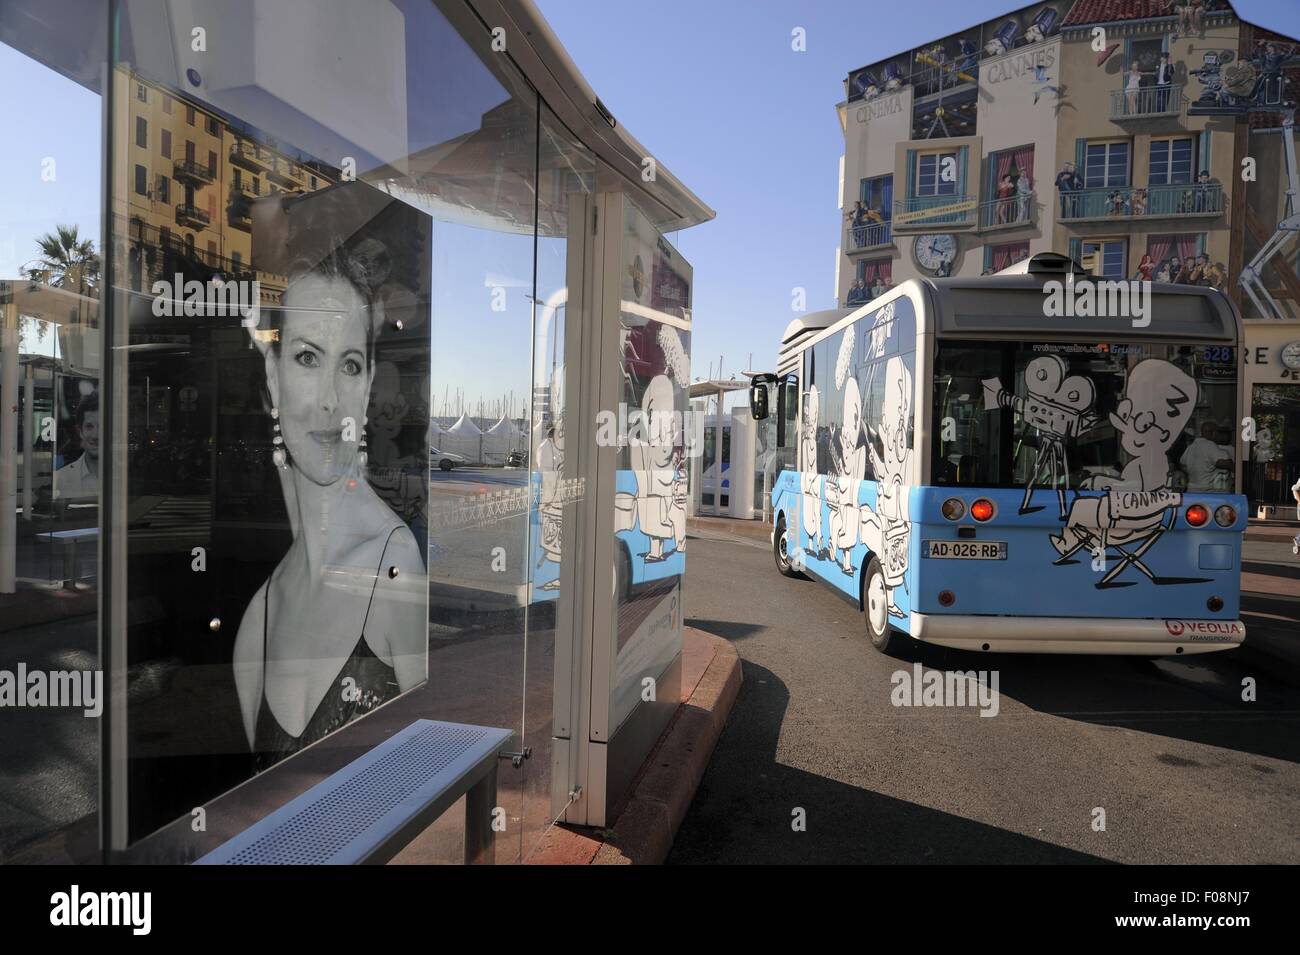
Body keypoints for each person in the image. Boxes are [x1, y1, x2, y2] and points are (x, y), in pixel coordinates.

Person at [233, 201, 427, 771]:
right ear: (272, 375)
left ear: (367, 385)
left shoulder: (396, 567)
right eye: (306, 357)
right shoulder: (256, 623)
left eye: (347, 365)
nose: (327, 400)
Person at [53, 393, 99, 501]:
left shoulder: (125, 475)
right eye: (89, 426)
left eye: (102, 426)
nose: (95, 435)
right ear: (80, 432)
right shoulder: (62, 476)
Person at [1180, 420, 1233, 490]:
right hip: (1207, 492)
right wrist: (1235, 466)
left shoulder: (1191, 446)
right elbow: (1221, 462)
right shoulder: (1210, 445)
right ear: (1213, 433)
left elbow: (1182, 464)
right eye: (1218, 432)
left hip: (1192, 491)